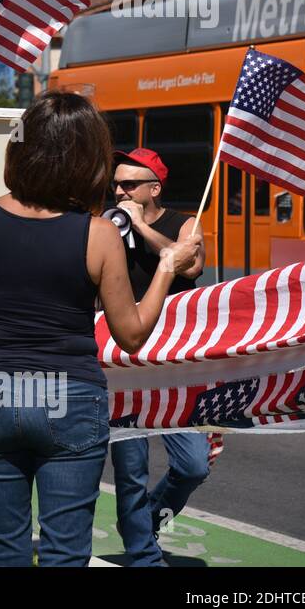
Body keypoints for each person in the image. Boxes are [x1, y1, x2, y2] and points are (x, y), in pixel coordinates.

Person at [0, 91, 200, 566]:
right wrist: (165, 266)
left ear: (21, 149)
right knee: (65, 554)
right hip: (71, 396)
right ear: (89, 160)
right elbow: (131, 334)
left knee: (6, 552)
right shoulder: (96, 233)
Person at [107, 147, 207, 566]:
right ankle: (142, 553)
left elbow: (192, 266)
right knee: (131, 471)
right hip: (124, 359)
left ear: (154, 188)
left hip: (174, 361)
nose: (119, 191)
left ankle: (144, 524)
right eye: (115, 184)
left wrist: (140, 228)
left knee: (193, 465)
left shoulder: (184, 224)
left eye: (128, 184)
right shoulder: (105, 223)